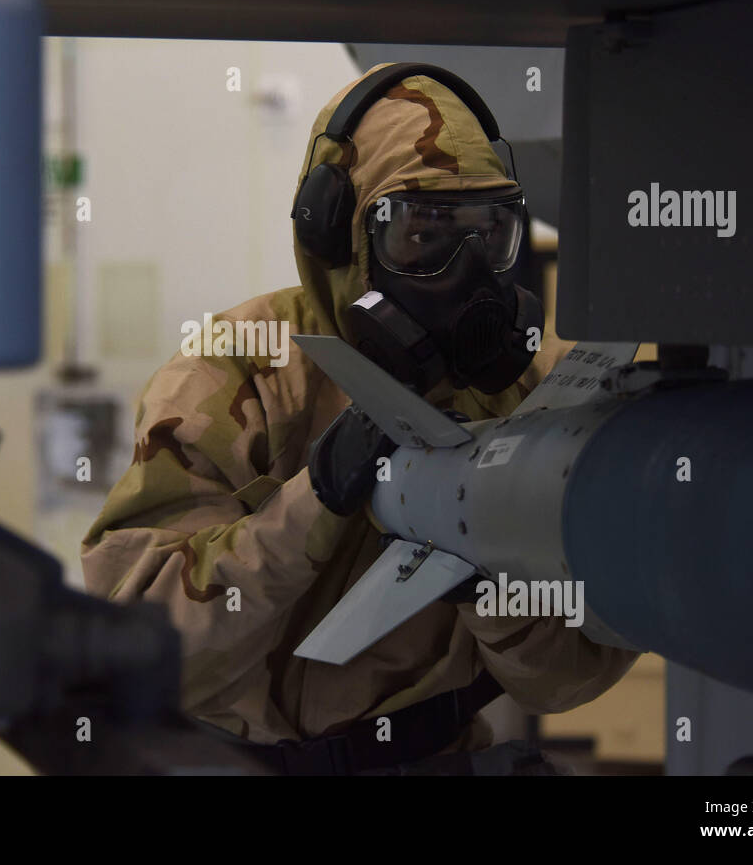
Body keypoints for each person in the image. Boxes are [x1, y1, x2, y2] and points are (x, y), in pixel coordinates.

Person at [81, 62, 638, 773]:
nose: (463, 276)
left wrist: (486, 574)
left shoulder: (532, 389)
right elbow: (143, 654)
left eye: (486, 236)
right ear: (340, 235)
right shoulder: (239, 372)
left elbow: (570, 678)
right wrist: (315, 500)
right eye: (422, 236)